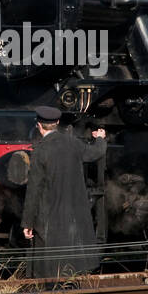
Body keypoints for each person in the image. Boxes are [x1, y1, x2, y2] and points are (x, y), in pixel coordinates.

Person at [21, 106, 107, 280]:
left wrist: (27, 222)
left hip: (49, 214)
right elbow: (95, 153)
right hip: (73, 210)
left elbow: (34, 190)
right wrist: (101, 139)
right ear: (57, 123)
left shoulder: (40, 151)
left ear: (39, 125)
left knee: (49, 264)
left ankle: (52, 290)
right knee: (73, 258)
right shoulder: (72, 142)